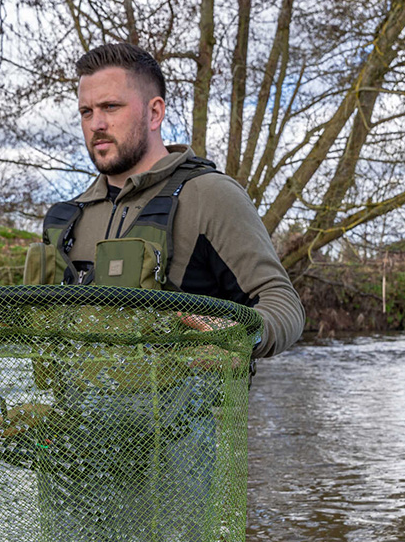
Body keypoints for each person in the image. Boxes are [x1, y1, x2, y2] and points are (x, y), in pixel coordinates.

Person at [42, 41, 304, 358]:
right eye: (87, 111)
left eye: (111, 107)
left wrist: (240, 336)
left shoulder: (210, 196)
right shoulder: (68, 218)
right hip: (72, 407)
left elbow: (281, 302)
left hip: (188, 405)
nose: (96, 124)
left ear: (155, 113)